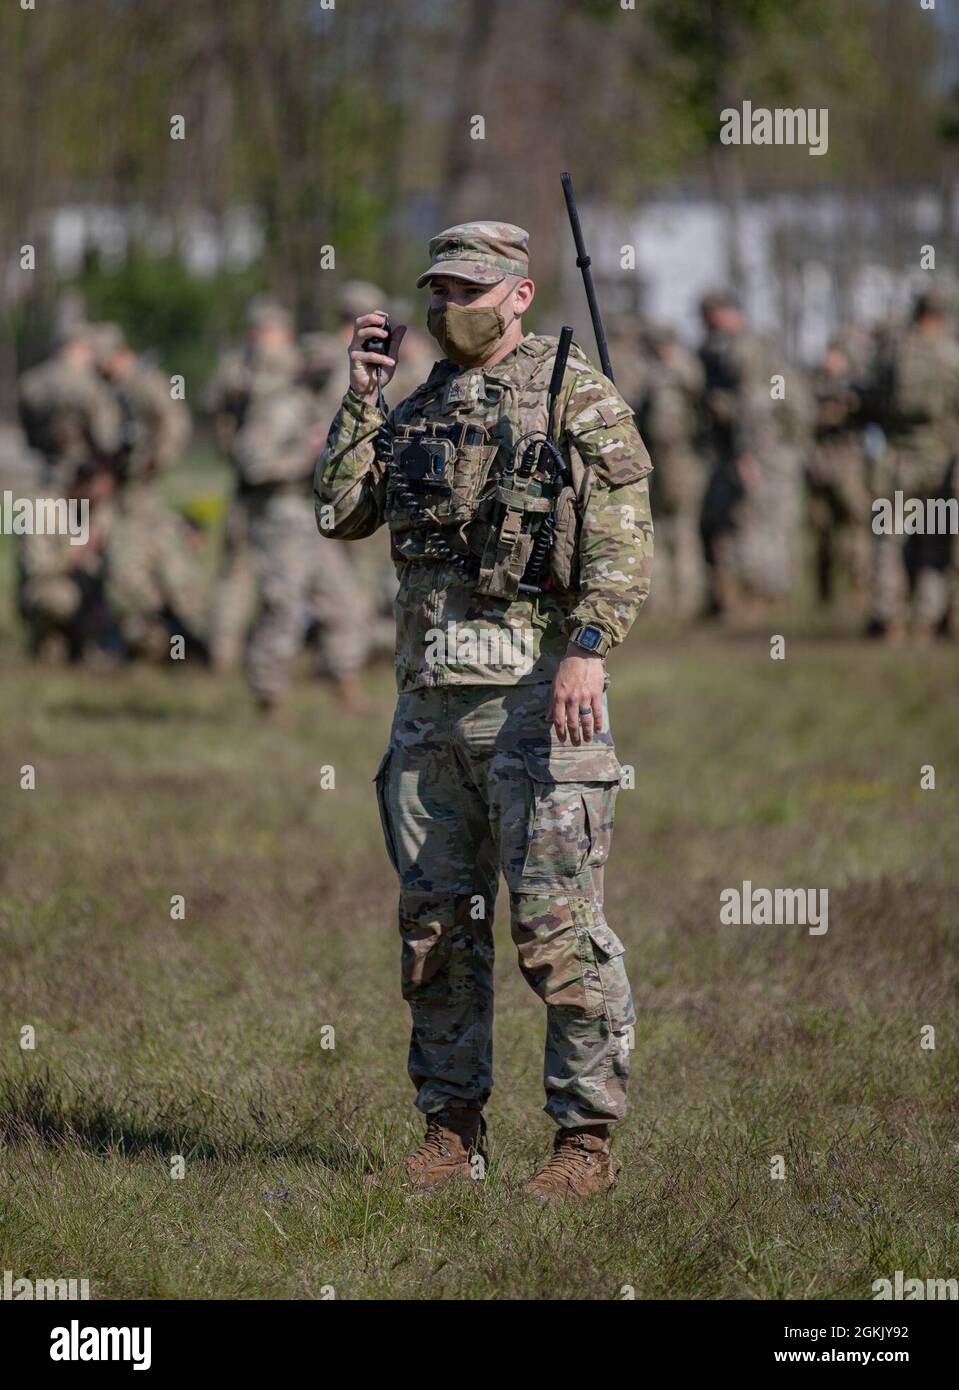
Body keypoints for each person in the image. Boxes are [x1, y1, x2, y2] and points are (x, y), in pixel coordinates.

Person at [314, 222, 654, 1200]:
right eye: (435, 289)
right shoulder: (417, 404)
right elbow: (340, 511)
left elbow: (625, 539)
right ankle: (450, 1133)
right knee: (436, 934)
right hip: (427, 720)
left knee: (557, 931)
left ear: (516, 293)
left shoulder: (571, 394)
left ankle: (582, 1142)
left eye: (465, 287)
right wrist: (361, 398)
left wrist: (588, 650)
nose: (443, 305)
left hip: (537, 711)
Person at [867, 289, 959, 643]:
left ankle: (887, 616)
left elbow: (873, 402)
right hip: (938, 464)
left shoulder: (893, 355)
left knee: (889, 540)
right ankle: (927, 618)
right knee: (934, 540)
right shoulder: (952, 356)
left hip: (896, 462)